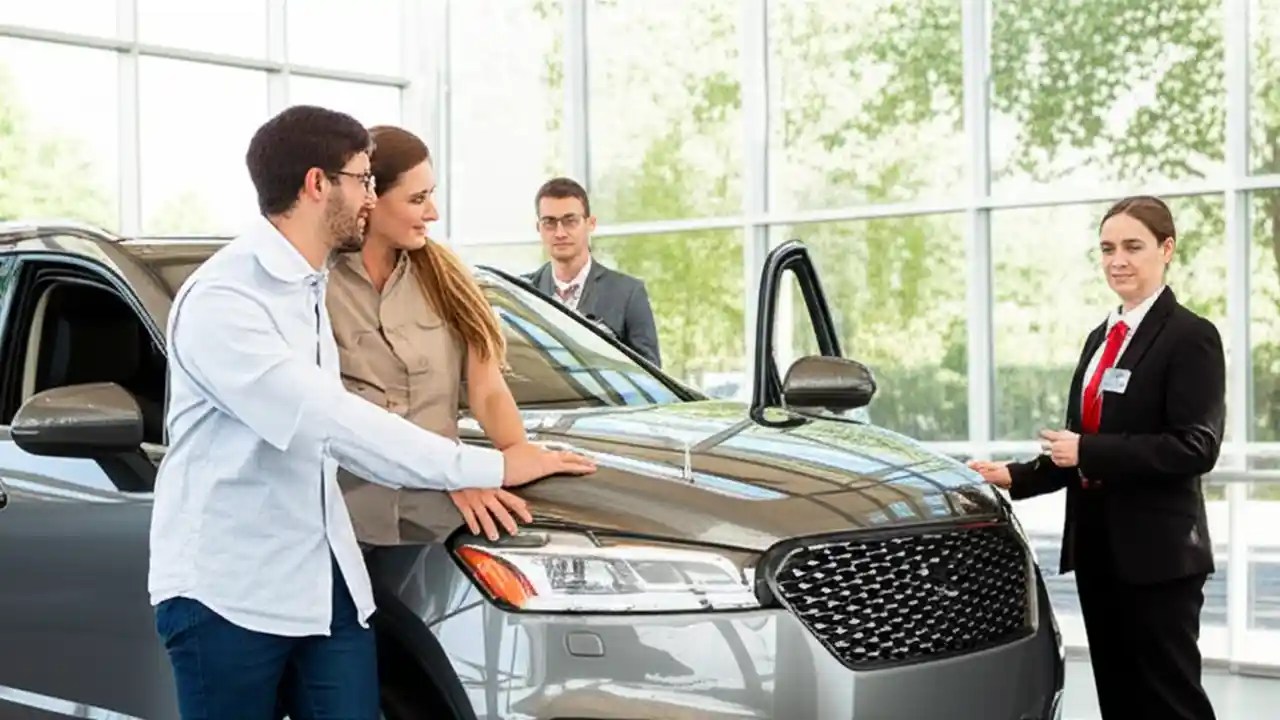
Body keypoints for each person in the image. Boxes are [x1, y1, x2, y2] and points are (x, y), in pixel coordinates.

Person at [148, 105, 596, 720]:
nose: (369, 195)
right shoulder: (225, 300)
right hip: (229, 592)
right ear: (316, 185)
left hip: (323, 578)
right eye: (362, 180)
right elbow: (332, 420)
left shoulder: (306, 286)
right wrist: (480, 467)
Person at [969, 195, 1221, 720]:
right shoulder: (1100, 340)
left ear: (1166, 249)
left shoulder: (1190, 336)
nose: (1117, 260)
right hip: (1099, 552)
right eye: (1107, 248)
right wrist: (1012, 476)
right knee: (1120, 699)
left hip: (1158, 558)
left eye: (1133, 246)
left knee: (1171, 701)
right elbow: (1077, 446)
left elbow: (1196, 446)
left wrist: (1088, 449)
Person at [327, 124, 533, 544]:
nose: (433, 213)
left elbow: (488, 391)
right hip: (337, 528)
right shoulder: (314, 286)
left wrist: (514, 461)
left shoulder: (448, 280)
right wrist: (455, 470)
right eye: (418, 199)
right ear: (369, 199)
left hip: (439, 525)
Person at [524, 177, 662, 366]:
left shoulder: (628, 294)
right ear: (538, 227)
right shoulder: (522, 294)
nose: (560, 233)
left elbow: (652, 377)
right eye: (549, 222)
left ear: (590, 224)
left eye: (570, 221)